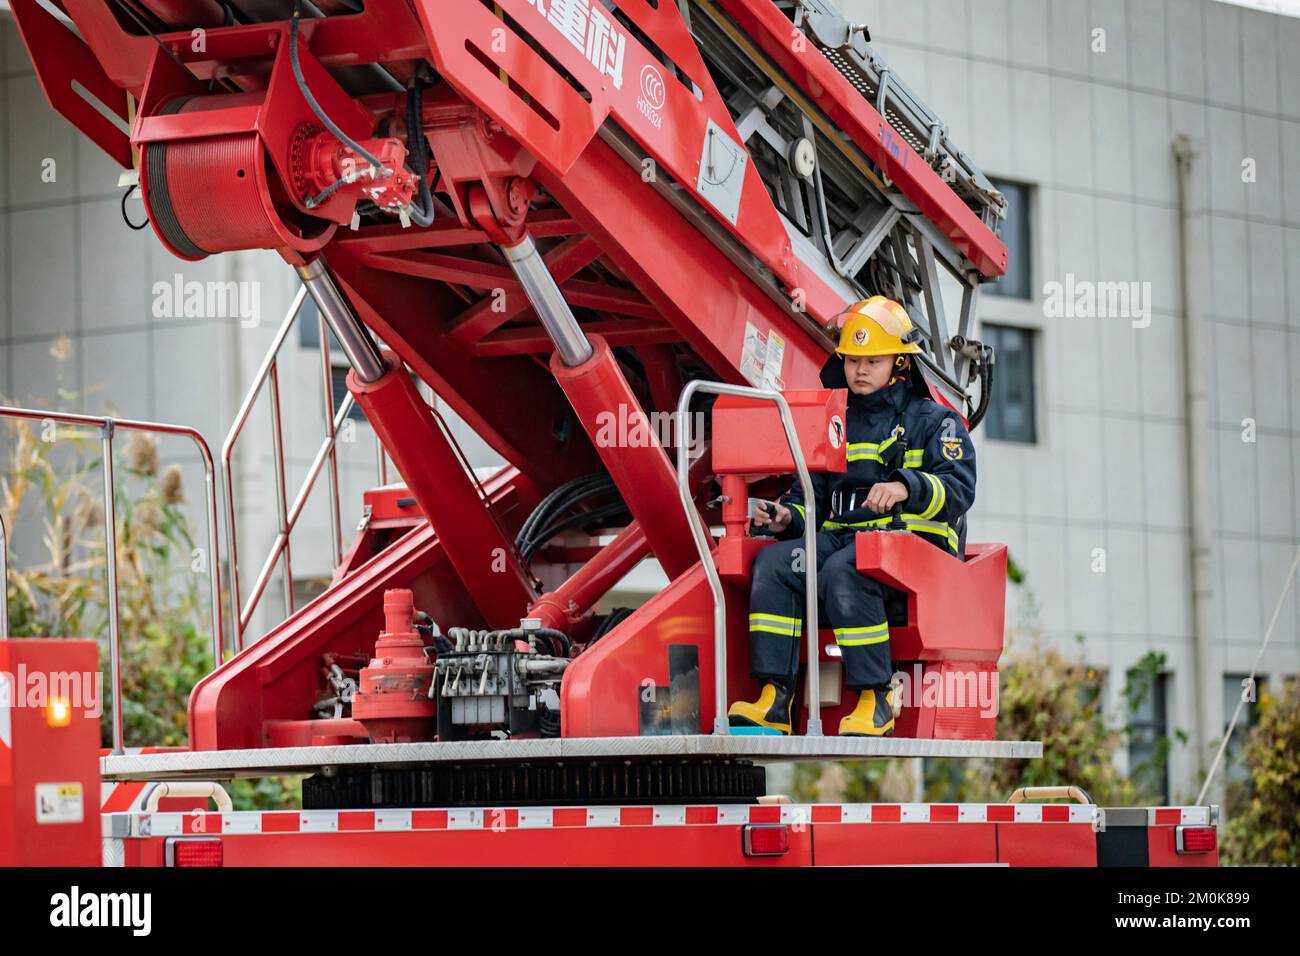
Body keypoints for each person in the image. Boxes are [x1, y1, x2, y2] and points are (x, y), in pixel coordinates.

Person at [727, 296, 977, 736]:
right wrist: (789, 517)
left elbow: (959, 490)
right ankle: (775, 700)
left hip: (915, 559)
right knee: (774, 565)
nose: (860, 370)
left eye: (872, 361)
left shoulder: (938, 422)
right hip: (848, 544)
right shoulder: (832, 421)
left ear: (899, 362)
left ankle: (876, 697)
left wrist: (906, 487)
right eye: (852, 360)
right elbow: (814, 497)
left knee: (847, 571)